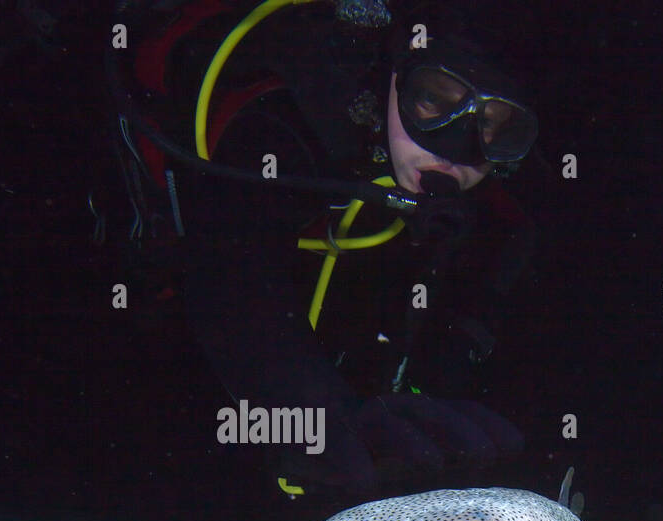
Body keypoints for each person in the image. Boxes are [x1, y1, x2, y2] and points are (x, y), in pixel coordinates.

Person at [110, 0, 539, 495]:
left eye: (491, 124)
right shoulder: (291, 115)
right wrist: (313, 410)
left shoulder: (501, 203)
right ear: (394, 75)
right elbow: (231, 268)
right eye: (433, 100)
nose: (456, 147)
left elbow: (502, 263)